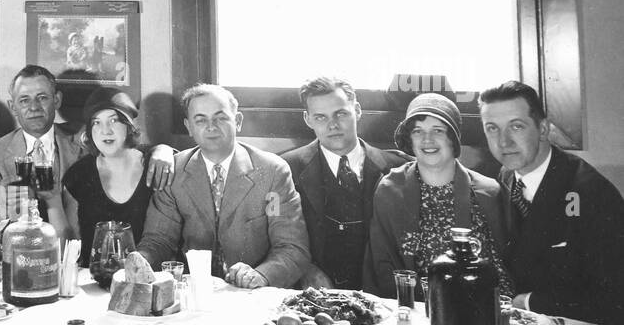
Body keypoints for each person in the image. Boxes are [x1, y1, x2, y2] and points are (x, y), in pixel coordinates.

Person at [137, 84, 311, 288]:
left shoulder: (272, 171)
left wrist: (261, 275)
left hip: (252, 293)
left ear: (237, 121)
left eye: (221, 118)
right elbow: (158, 241)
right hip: (192, 292)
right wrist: (138, 261)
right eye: (200, 119)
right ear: (189, 127)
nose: (211, 126)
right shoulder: (173, 171)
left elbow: (292, 247)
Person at [480, 80, 624, 325]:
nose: (504, 142)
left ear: (544, 129)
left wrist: (528, 303)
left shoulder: (591, 193)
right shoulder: (506, 175)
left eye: (516, 126)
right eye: (492, 128)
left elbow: (615, 300)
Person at [0, 65, 174, 229]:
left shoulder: (86, 138)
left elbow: (128, 146)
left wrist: (162, 150)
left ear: (57, 100)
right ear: (13, 107)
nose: (34, 107)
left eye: (42, 97)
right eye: (24, 100)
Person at [366, 93, 511, 297]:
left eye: (438, 130)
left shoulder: (489, 193)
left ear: (453, 138)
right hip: (411, 310)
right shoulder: (389, 190)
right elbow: (382, 267)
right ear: (409, 138)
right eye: (418, 131)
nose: (427, 140)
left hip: (476, 308)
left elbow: (502, 272)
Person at [282, 76, 410, 290]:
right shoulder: (285, 169)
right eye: (320, 117)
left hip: (383, 296)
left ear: (357, 110)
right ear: (308, 119)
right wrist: (304, 269)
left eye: (340, 113)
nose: (333, 125)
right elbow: (277, 240)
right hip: (315, 299)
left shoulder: (399, 168)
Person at [58, 88, 155, 265]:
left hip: (149, 277)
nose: (105, 131)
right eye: (96, 123)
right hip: (95, 280)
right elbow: (73, 247)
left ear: (129, 125)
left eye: (114, 121)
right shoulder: (78, 175)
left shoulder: (154, 164)